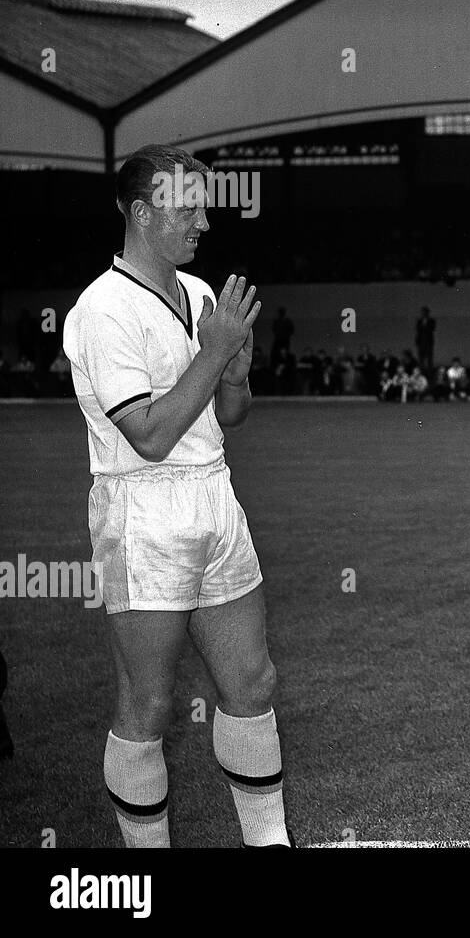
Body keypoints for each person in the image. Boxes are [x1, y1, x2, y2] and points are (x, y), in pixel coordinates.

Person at [62, 144, 291, 848]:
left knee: (252, 682)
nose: (204, 221)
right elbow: (151, 437)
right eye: (186, 205)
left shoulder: (197, 296)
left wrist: (236, 374)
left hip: (214, 499)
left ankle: (270, 842)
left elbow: (228, 418)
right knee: (150, 703)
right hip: (143, 512)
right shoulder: (101, 310)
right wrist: (215, 352)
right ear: (140, 212)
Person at [416, 307, 436, 374]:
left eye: (424, 312)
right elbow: (418, 330)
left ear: (427, 313)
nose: (423, 313)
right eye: (422, 312)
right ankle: (421, 372)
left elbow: (432, 329)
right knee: (421, 359)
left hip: (428, 342)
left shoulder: (432, 321)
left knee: (429, 359)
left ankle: (430, 373)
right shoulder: (419, 321)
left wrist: (425, 327)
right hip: (421, 342)